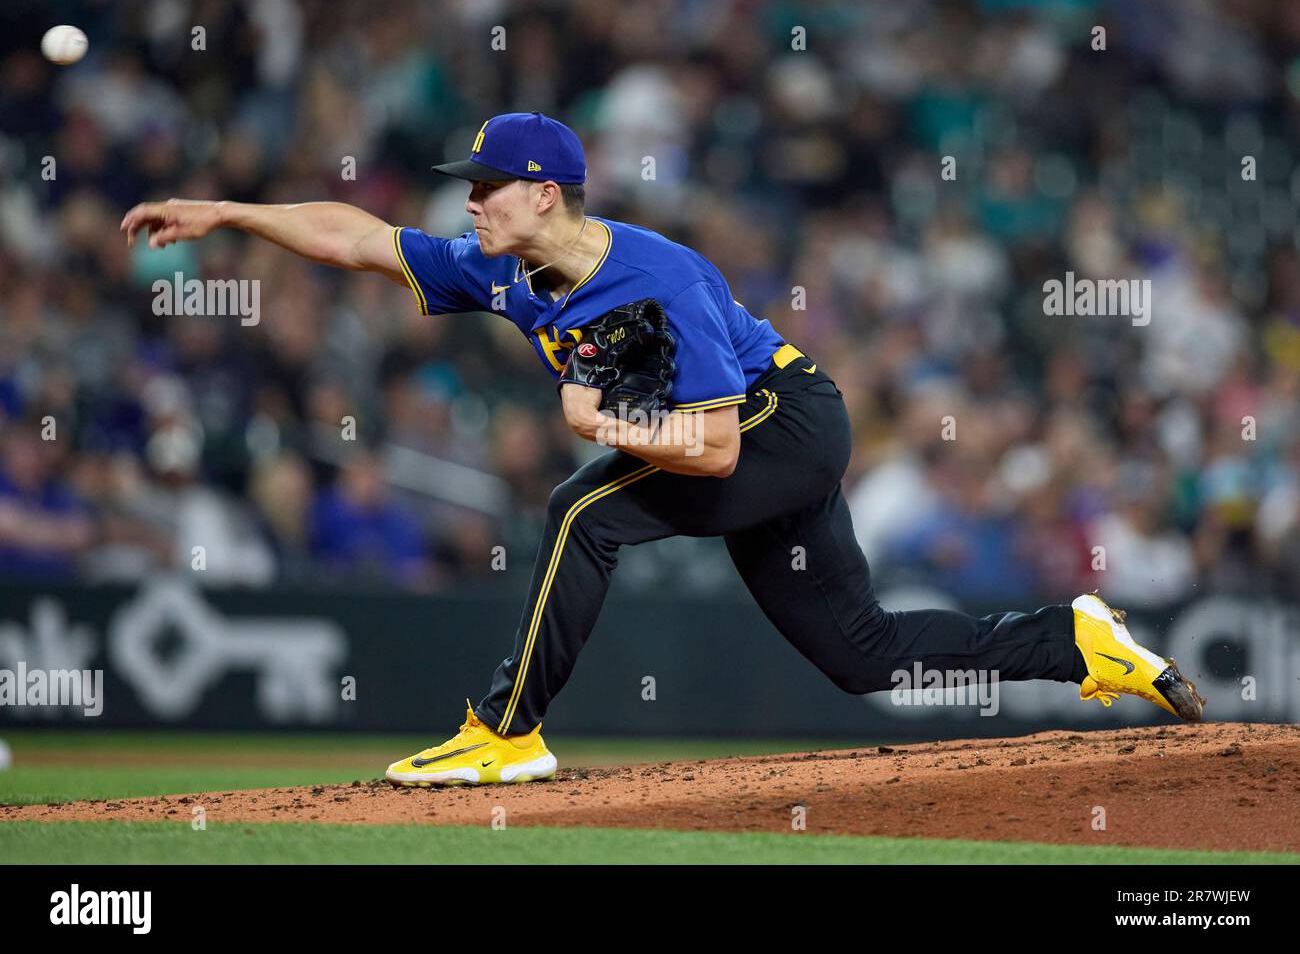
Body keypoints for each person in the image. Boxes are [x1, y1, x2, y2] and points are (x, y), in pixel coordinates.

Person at [120, 112, 1205, 787]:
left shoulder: (660, 276)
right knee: (861, 654)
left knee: (585, 509)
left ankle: (504, 731)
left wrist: (604, 426)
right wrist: (224, 210)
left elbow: (721, 449)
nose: (467, 199)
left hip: (786, 421)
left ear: (542, 192)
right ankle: (1075, 641)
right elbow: (357, 238)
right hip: (751, 441)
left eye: (484, 183)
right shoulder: (495, 263)